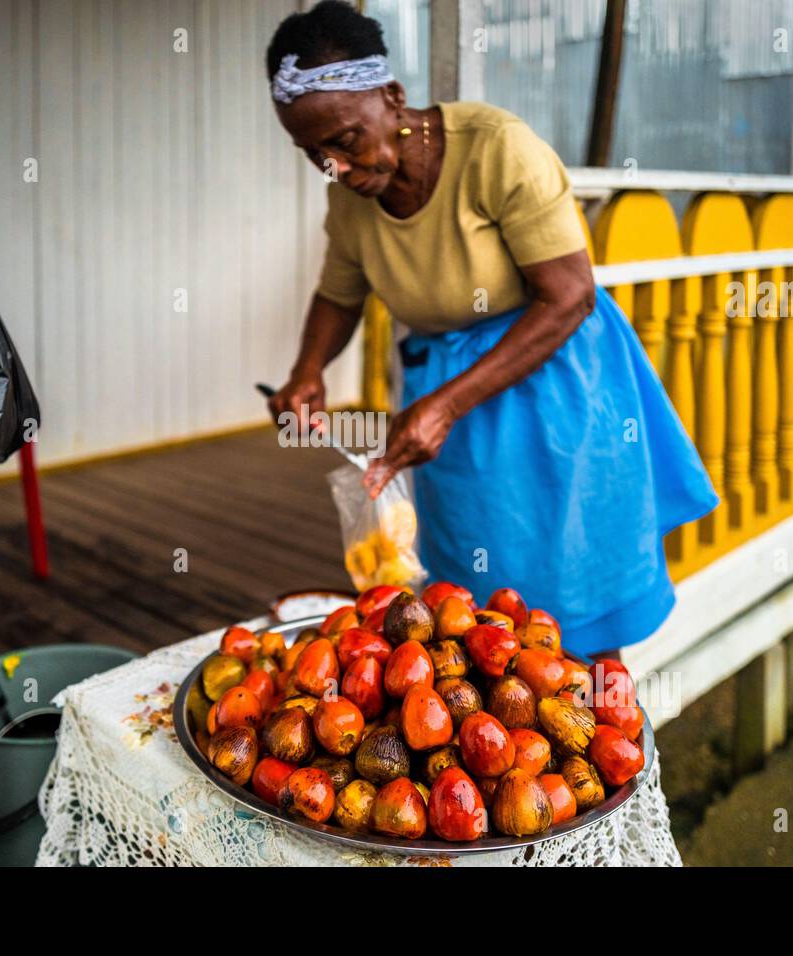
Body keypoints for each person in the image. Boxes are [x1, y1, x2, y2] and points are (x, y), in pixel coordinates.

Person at [264, 1, 717, 657]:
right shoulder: (350, 199)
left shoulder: (498, 149)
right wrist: (307, 371)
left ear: (393, 98)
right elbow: (340, 292)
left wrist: (445, 406)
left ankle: (594, 741)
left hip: (548, 379)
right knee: (470, 617)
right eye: (313, 154)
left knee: (569, 601)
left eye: (345, 140)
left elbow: (569, 296)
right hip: (448, 407)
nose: (336, 167)